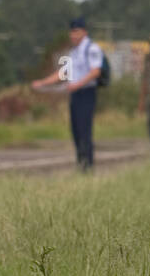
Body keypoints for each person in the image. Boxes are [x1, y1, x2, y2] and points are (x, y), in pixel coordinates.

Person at [32, 18, 105, 171]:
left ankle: (88, 166)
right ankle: (81, 164)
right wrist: (43, 82)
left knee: (85, 130)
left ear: (84, 32)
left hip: (86, 93)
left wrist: (77, 84)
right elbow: (63, 73)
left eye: (76, 31)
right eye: (71, 32)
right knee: (76, 130)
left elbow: (96, 72)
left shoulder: (91, 49)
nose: (73, 35)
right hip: (75, 94)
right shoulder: (73, 51)